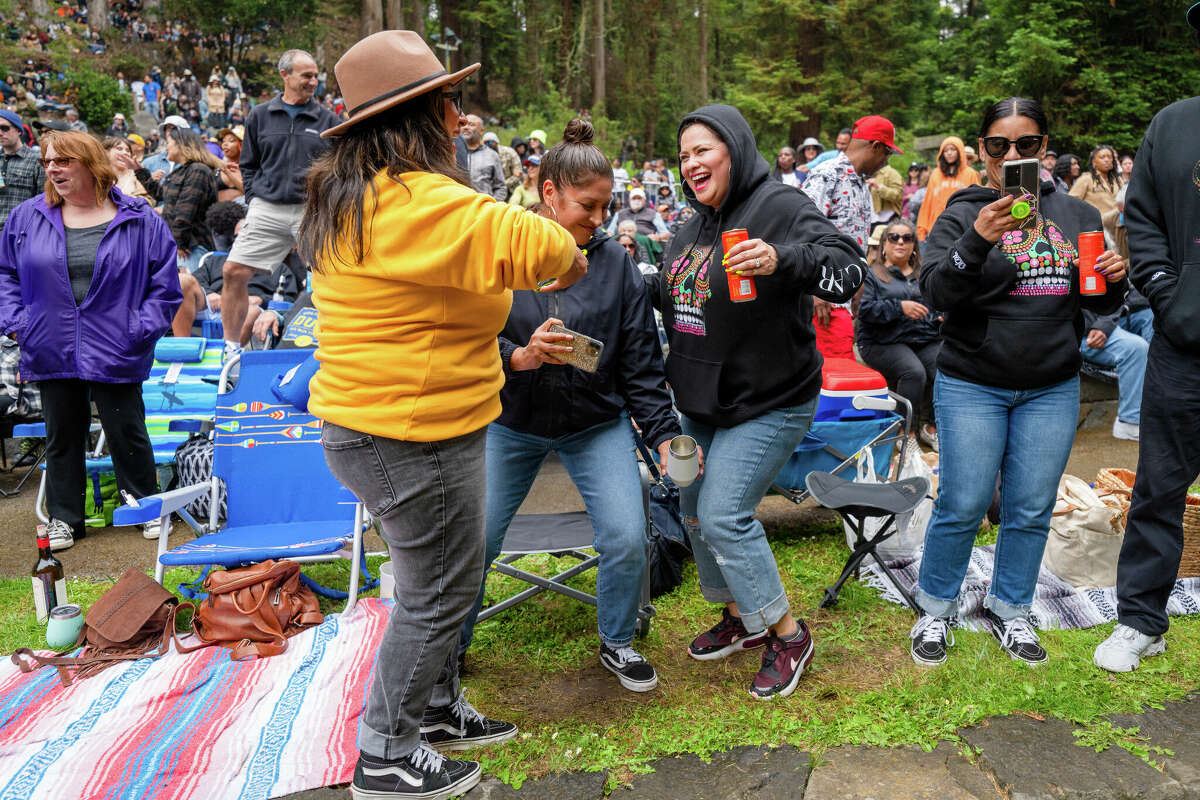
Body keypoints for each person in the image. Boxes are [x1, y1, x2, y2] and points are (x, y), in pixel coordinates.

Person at [300, 32, 587, 800]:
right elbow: (559, 253)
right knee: (438, 595)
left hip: (384, 425)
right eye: (448, 103)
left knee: (437, 584)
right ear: (422, 118)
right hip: (410, 434)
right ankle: (387, 753)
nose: (461, 118)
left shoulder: (356, 197)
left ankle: (432, 710)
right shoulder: (424, 202)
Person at [458, 119, 682, 693]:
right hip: (511, 421)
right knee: (474, 540)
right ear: (548, 192)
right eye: (588, 205)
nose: (599, 219)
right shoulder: (501, 247)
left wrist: (660, 432)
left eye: (606, 206)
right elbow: (467, 336)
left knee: (628, 535)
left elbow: (640, 360)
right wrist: (520, 356)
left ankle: (617, 641)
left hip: (595, 423)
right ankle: (449, 651)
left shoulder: (615, 265)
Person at [654, 103, 864, 700]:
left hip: (770, 400)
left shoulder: (779, 206)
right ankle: (741, 618)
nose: (692, 163)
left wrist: (784, 260)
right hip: (700, 402)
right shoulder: (693, 224)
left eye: (704, 149)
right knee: (693, 512)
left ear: (736, 148)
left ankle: (787, 634)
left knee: (723, 514)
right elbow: (678, 296)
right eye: (685, 153)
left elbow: (848, 270)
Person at [911, 97, 1127, 668]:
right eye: (999, 145)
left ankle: (1012, 609)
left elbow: (1094, 299)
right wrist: (979, 238)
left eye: (1026, 145)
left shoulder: (1077, 216)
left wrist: (1112, 281)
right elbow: (934, 294)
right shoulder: (963, 210)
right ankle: (936, 607)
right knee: (963, 500)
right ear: (981, 151)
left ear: (1044, 148)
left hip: (1051, 384)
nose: (1013, 155)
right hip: (973, 381)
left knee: (1030, 507)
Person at [0, 130, 181, 552]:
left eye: (62, 161)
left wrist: (141, 328)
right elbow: (5, 274)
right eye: (47, 162)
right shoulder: (27, 217)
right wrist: (16, 322)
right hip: (49, 341)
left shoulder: (139, 218)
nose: (52, 169)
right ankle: (65, 518)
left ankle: (143, 505)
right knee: (62, 433)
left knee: (126, 428)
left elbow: (165, 285)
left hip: (118, 342)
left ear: (89, 163)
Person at [1093, 4, 1200, 674]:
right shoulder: (1175, 123)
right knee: (1159, 486)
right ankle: (1140, 621)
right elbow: (1143, 219)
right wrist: (1166, 291)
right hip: (1184, 347)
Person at [220, 48, 336, 361]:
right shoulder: (259, 115)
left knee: (334, 276)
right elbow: (249, 164)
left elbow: (338, 167)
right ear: (284, 75)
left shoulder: (328, 119)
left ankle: (336, 346)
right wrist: (255, 199)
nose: (314, 81)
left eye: (316, 76)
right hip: (267, 208)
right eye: (307, 75)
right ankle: (231, 350)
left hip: (310, 210)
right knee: (232, 271)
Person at [802, 115, 899, 360]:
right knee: (835, 375)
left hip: (844, 297)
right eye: (886, 154)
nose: (885, 162)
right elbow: (801, 233)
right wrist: (813, 290)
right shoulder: (826, 175)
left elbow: (857, 239)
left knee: (836, 374)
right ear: (875, 147)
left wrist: (860, 281)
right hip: (823, 300)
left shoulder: (863, 185)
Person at [856, 219, 940, 450]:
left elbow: (937, 305)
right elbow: (865, 311)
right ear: (884, 245)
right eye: (894, 237)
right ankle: (906, 432)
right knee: (914, 372)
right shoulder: (873, 274)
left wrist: (939, 316)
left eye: (907, 238)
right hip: (881, 341)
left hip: (921, 339)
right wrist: (899, 307)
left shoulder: (924, 275)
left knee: (944, 365)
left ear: (914, 245)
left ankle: (931, 428)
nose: (900, 242)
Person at [158, 127, 222, 273]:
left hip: (190, 247)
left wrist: (180, 243)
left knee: (187, 291)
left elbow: (186, 210)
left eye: (168, 143)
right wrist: (138, 170)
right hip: (178, 244)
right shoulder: (182, 171)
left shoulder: (197, 170)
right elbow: (161, 195)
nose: (166, 147)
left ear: (181, 145)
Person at [916, 136, 981, 242]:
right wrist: (921, 229)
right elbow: (928, 203)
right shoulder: (935, 174)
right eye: (946, 150)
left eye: (953, 149)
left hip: (962, 228)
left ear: (959, 151)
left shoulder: (970, 173)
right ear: (942, 153)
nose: (949, 153)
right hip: (937, 227)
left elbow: (977, 202)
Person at [1069, 145, 1123, 248]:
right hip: (1097, 230)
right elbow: (1071, 203)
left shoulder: (1118, 180)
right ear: (1094, 162)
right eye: (1102, 157)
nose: (1107, 160)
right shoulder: (1086, 179)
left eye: (1109, 157)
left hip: (1118, 229)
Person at [0, 109, 45, 226]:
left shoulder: (37, 160)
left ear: (18, 130)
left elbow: (44, 200)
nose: (0, 133)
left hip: (20, 230)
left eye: (4, 128)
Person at [461, 115, 506, 200]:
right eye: (463, 124)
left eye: (471, 124)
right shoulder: (452, 152)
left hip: (483, 209)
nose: (466, 127)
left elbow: (501, 187)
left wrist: (492, 206)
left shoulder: (492, 155)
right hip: (458, 208)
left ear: (481, 131)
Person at [102, 136, 152, 204]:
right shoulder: (97, 175)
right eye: (119, 149)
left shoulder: (135, 176)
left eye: (128, 150)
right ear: (106, 152)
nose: (125, 153)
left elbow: (148, 200)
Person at [215, 125, 244, 202]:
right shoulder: (217, 169)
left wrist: (228, 173)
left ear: (242, 144)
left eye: (231, 141)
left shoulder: (251, 169)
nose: (225, 144)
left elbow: (251, 193)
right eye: (223, 141)